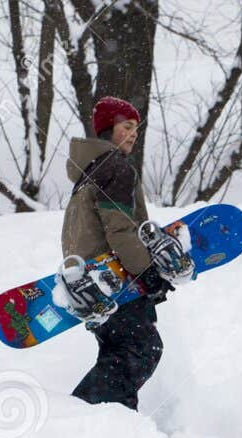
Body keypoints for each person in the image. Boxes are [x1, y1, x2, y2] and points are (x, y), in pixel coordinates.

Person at [61, 96, 173, 409]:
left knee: (118, 355)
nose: (134, 133)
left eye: (136, 127)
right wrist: (147, 272)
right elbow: (120, 230)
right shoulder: (116, 169)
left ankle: (113, 431)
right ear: (109, 128)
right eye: (127, 125)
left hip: (93, 284)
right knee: (141, 348)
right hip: (115, 282)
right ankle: (76, 415)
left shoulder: (89, 173)